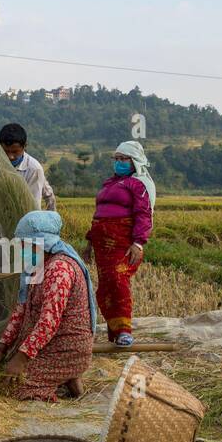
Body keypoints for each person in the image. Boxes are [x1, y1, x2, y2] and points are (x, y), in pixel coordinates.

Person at [0, 211, 97, 401]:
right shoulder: (37, 266)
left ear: (40, 243)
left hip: (66, 347)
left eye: (25, 244)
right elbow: (21, 309)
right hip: (49, 343)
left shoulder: (59, 269)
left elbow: (48, 323)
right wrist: (3, 344)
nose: (22, 249)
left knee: (13, 389)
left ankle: (67, 375)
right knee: (1, 374)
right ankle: (66, 378)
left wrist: (21, 360)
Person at [83, 139, 155, 347]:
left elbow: (144, 215)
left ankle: (125, 330)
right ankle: (115, 331)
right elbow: (98, 214)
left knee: (118, 280)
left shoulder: (138, 184)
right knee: (105, 287)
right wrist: (89, 243)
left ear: (134, 162)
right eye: (116, 159)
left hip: (121, 242)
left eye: (123, 159)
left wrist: (138, 243)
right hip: (102, 244)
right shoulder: (109, 183)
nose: (119, 162)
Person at [0, 122, 55, 239]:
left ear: (24, 146)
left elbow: (32, 207)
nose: (10, 156)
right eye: (6, 152)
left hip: (28, 228)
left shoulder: (33, 169)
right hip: (2, 226)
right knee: (0, 254)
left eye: (15, 152)